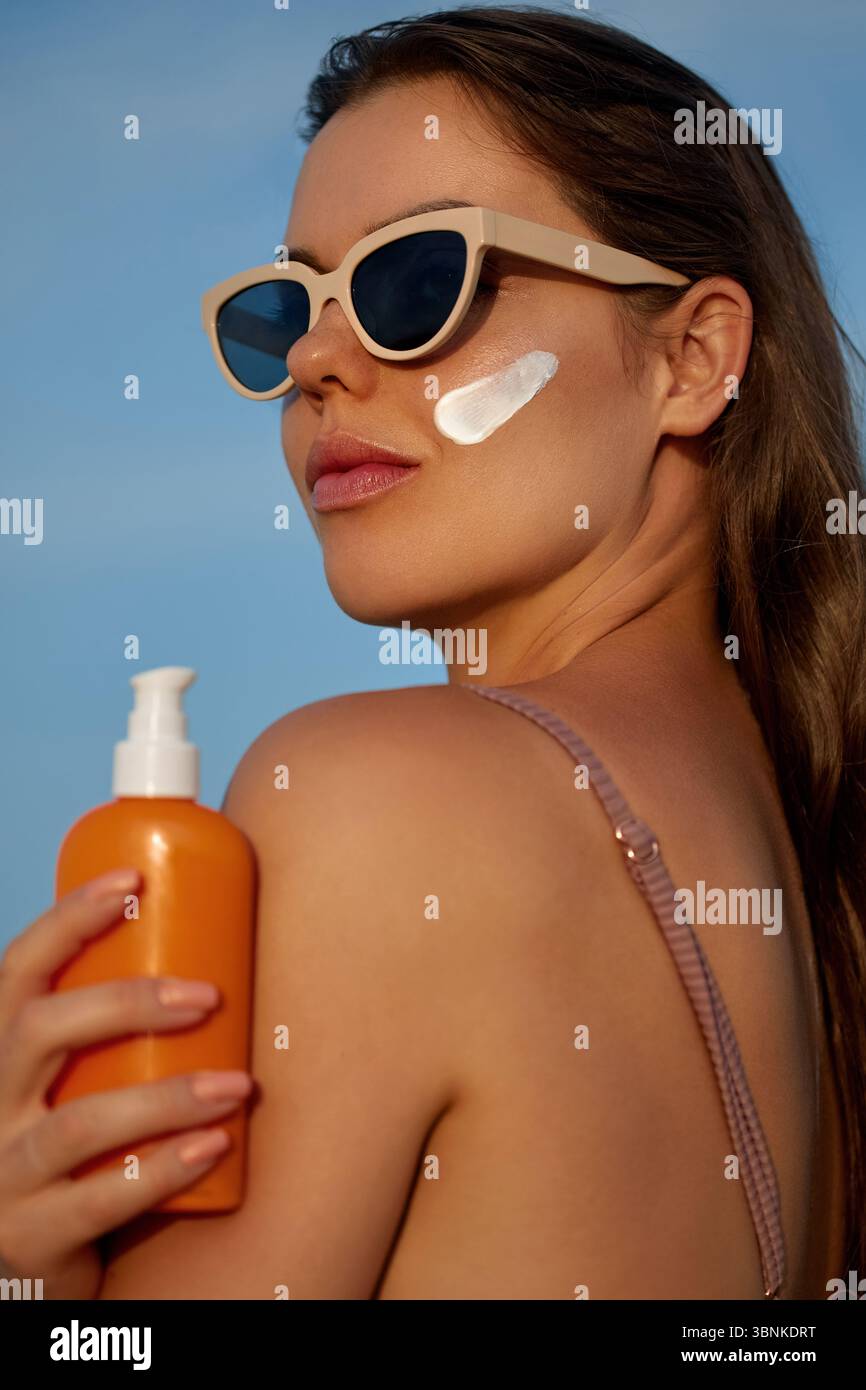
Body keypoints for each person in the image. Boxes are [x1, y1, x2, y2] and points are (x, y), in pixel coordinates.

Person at [1, 7, 863, 1300]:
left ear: (691, 359)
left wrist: (26, 1278)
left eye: (419, 282)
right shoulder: (809, 896)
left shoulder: (375, 800)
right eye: (288, 306)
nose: (312, 360)